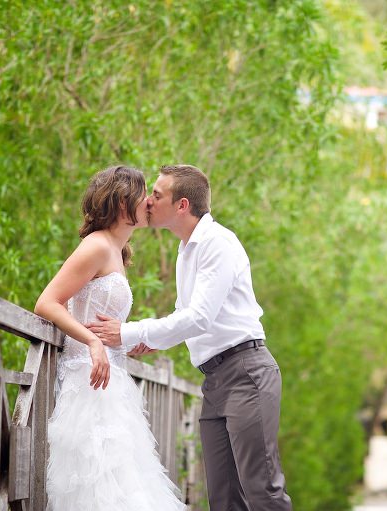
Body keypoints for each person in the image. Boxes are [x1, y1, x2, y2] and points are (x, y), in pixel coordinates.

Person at [88, 164, 293, 510]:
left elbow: (199, 317)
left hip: (246, 373)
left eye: (156, 195)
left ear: (182, 205)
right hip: (215, 380)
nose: (147, 202)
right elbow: (189, 315)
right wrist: (153, 342)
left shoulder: (218, 243)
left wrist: (127, 332)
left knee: (262, 490)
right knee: (223, 497)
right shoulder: (187, 250)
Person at [34, 165, 186, 511]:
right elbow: (46, 303)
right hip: (87, 382)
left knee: (125, 488)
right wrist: (92, 342)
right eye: (143, 194)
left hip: (111, 384)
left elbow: (103, 320)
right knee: (99, 488)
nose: (149, 201)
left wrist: (128, 343)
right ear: (122, 203)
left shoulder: (117, 252)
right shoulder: (97, 246)